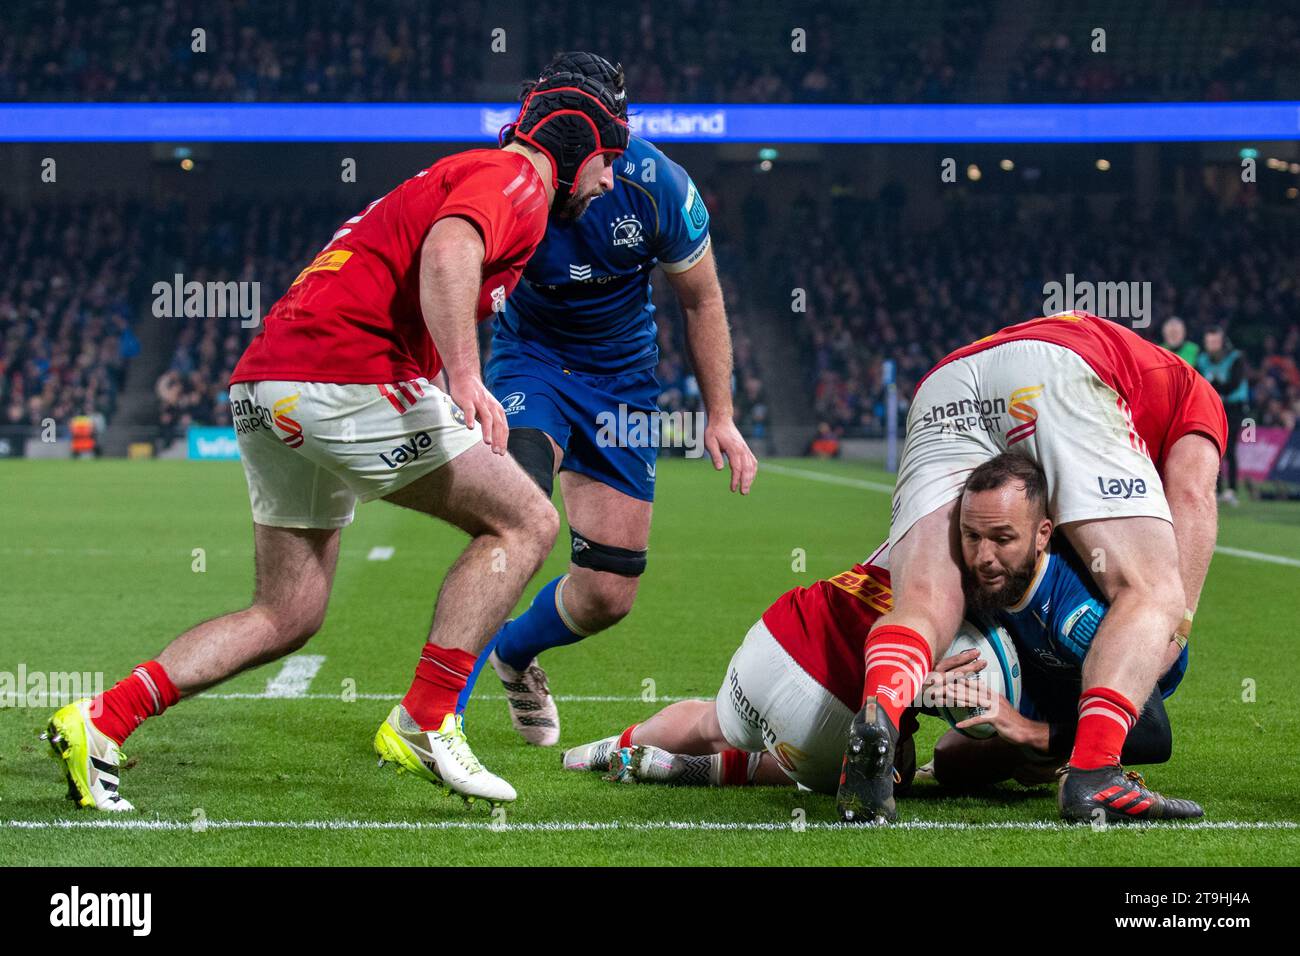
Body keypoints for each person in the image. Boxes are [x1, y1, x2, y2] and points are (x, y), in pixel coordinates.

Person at [43, 61, 629, 812]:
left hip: (268, 385)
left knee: (287, 613)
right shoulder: (519, 179)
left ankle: (101, 721)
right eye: (608, 163)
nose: (609, 183)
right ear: (578, 146)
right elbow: (450, 252)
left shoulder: (462, 171)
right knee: (527, 520)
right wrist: (464, 377)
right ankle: (425, 720)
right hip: (342, 376)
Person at [561, 456, 1196, 822]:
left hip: (780, 630)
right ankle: (720, 768)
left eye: (1000, 539)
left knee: (711, 720)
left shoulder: (932, 540)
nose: (983, 555)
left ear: (1044, 530)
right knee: (899, 764)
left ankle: (614, 750)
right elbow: (1152, 730)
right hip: (832, 707)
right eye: (977, 537)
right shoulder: (1055, 607)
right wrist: (1017, 731)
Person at [455, 53, 758, 746]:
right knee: (516, 511)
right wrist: (459, 374)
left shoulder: (657, 185)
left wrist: (722, 416)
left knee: (607, 592)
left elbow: (701, 297)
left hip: (622, 384)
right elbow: (450, 271)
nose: (614, 158)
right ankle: (439, 713)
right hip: (531, 363)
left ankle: (514, 651)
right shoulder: (507, 182)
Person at [838, 310, 1225, 824]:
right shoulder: (1191, 390)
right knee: (1152, 590)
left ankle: (880, 715)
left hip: (946, 381)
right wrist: (1175, 627)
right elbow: (1194, 494)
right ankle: (1094, 773)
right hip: (1056, 369)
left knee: (925, 603)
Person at [1198, 327, 1248, 506]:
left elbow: (1234, 383)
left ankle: (1231, 490)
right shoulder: (1203, 359)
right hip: (1212, 406)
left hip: (1233, 408)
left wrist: (1213, 387)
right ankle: (1217, 490)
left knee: (1230, 449)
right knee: (1215, 450)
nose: (1212, 345)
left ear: (1222, 342)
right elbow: (1197, 381)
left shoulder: (1236, 358)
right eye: (1209, 342)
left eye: (1215, 341)